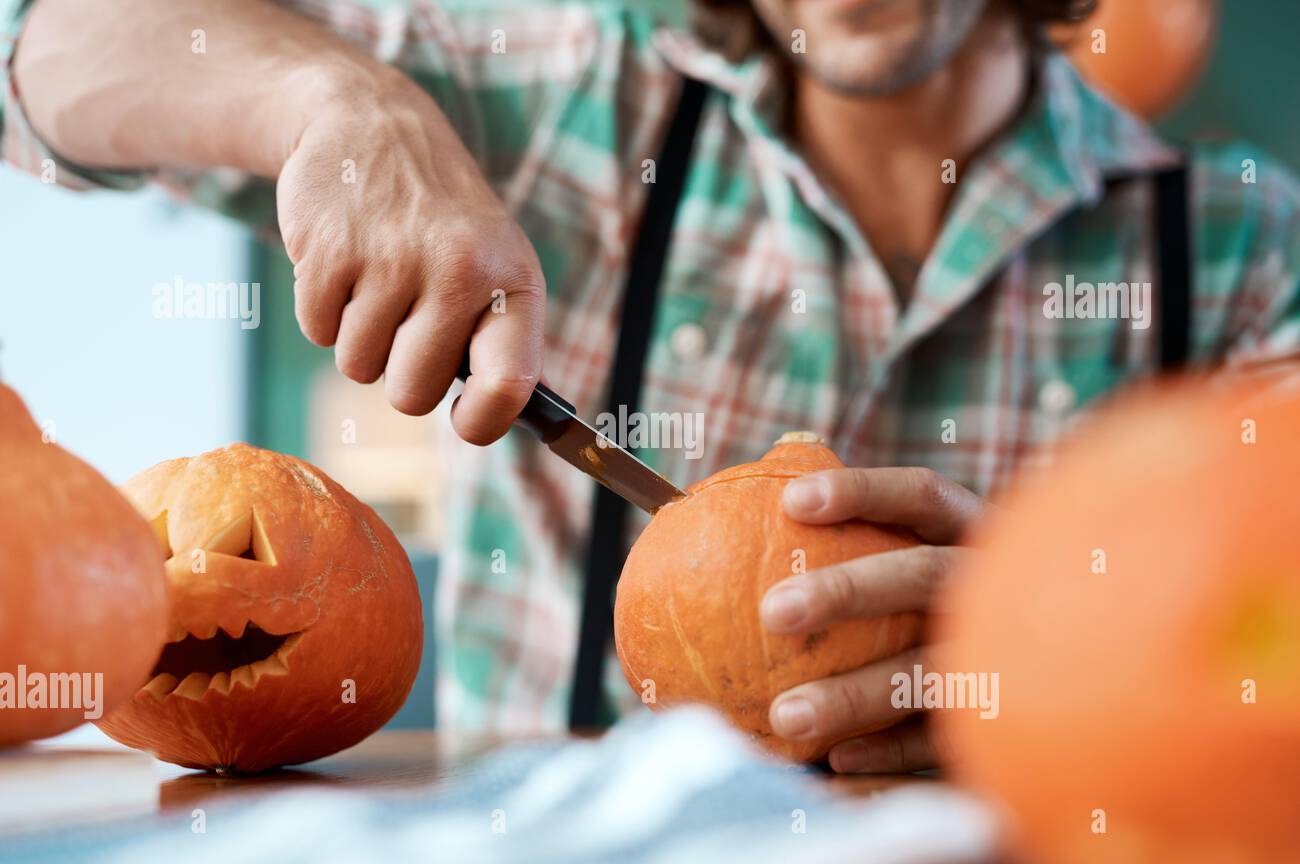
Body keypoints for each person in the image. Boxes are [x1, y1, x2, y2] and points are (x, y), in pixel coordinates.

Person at [4, 0, 1297, 772]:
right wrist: (334, 103)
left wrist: (1062, 648)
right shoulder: (559, 98)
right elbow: (39, 44)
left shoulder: (1241, 253)